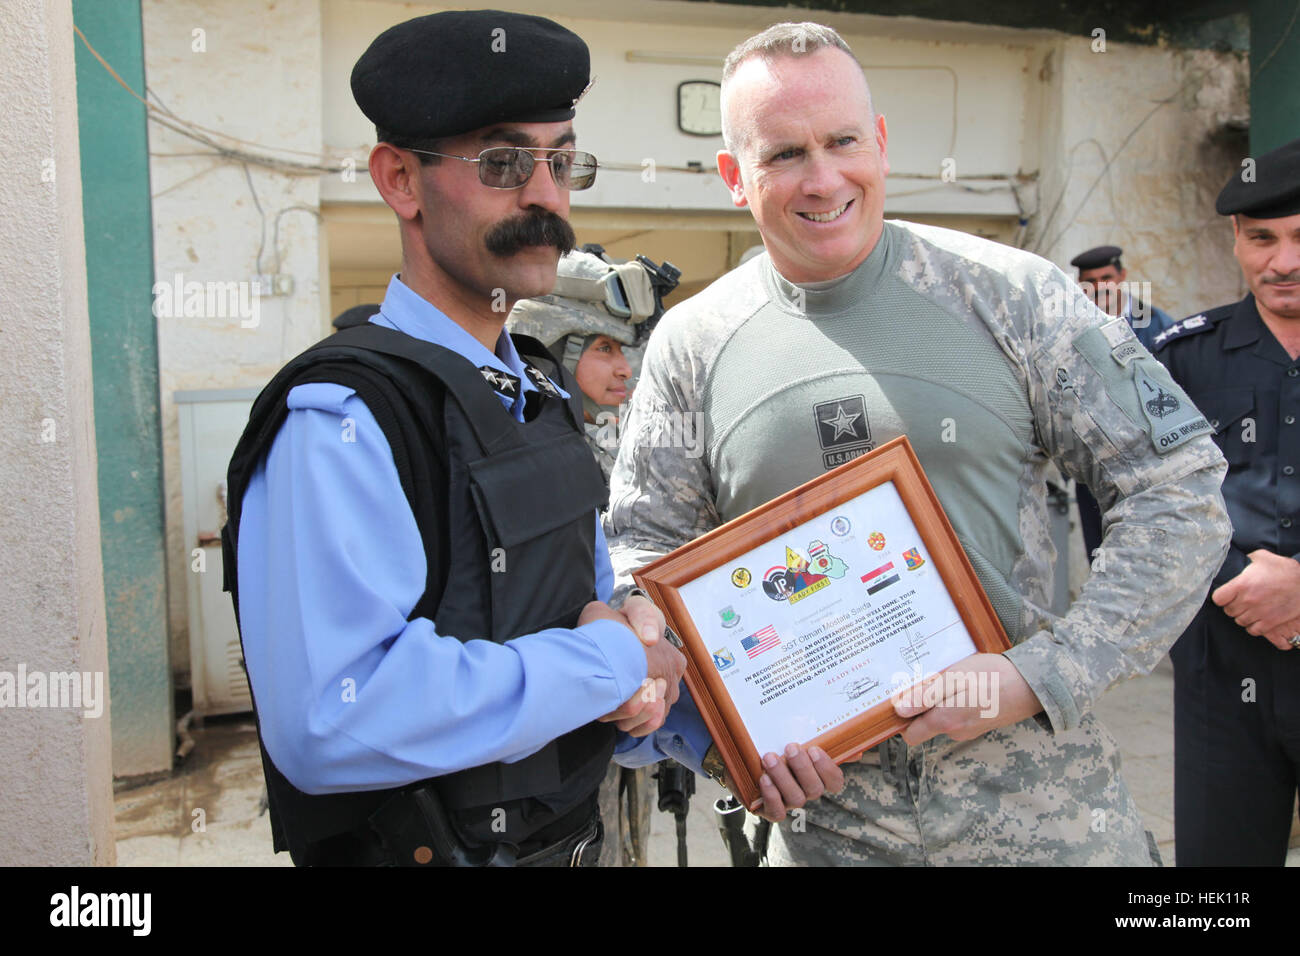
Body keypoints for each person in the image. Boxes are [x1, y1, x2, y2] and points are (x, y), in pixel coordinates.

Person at [606, 21, 1232, 865]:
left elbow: (1180, 487)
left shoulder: (1014, 297)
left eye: (842, 141)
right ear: (732, 176)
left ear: (883, 144)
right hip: (829, 826)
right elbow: (647, 555)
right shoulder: (692, 346)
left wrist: (1048, 673)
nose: (822, 178)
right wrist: (727, 741)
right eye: (784, 153)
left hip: (1044, 812)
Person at [220, 10, 705, 867]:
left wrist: (630, 649)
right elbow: (336, 717)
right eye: (504, 162)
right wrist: (604, 661)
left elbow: (580, 609)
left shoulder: (539, 398)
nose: (546, 196)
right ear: (400, 180)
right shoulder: (345, 414)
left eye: (562, 163)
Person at [1155, 136, 1300, 866]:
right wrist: (1240, 586)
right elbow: (1134, 506)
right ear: (1236, 239)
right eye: (1262, 238)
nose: (1283, 262)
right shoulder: (1182, 361)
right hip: (1223, 666)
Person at [506, 248, 677, 865]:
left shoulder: (619, 441)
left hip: (628, 721)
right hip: (555, 730)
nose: (624, 367)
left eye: (627, 349)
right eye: (603, 348)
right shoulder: (523, 454)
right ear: (554, 348)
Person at [1069, 245, 1176, 561]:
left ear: (1122, 277)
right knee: (1101, 555)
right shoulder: (1071, 328)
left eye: (1107, 277)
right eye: (1091, 281)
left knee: (1152, 555)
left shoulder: (1157, 325)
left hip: (1149, 460)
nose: (1101, 287)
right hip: (1094, 461)